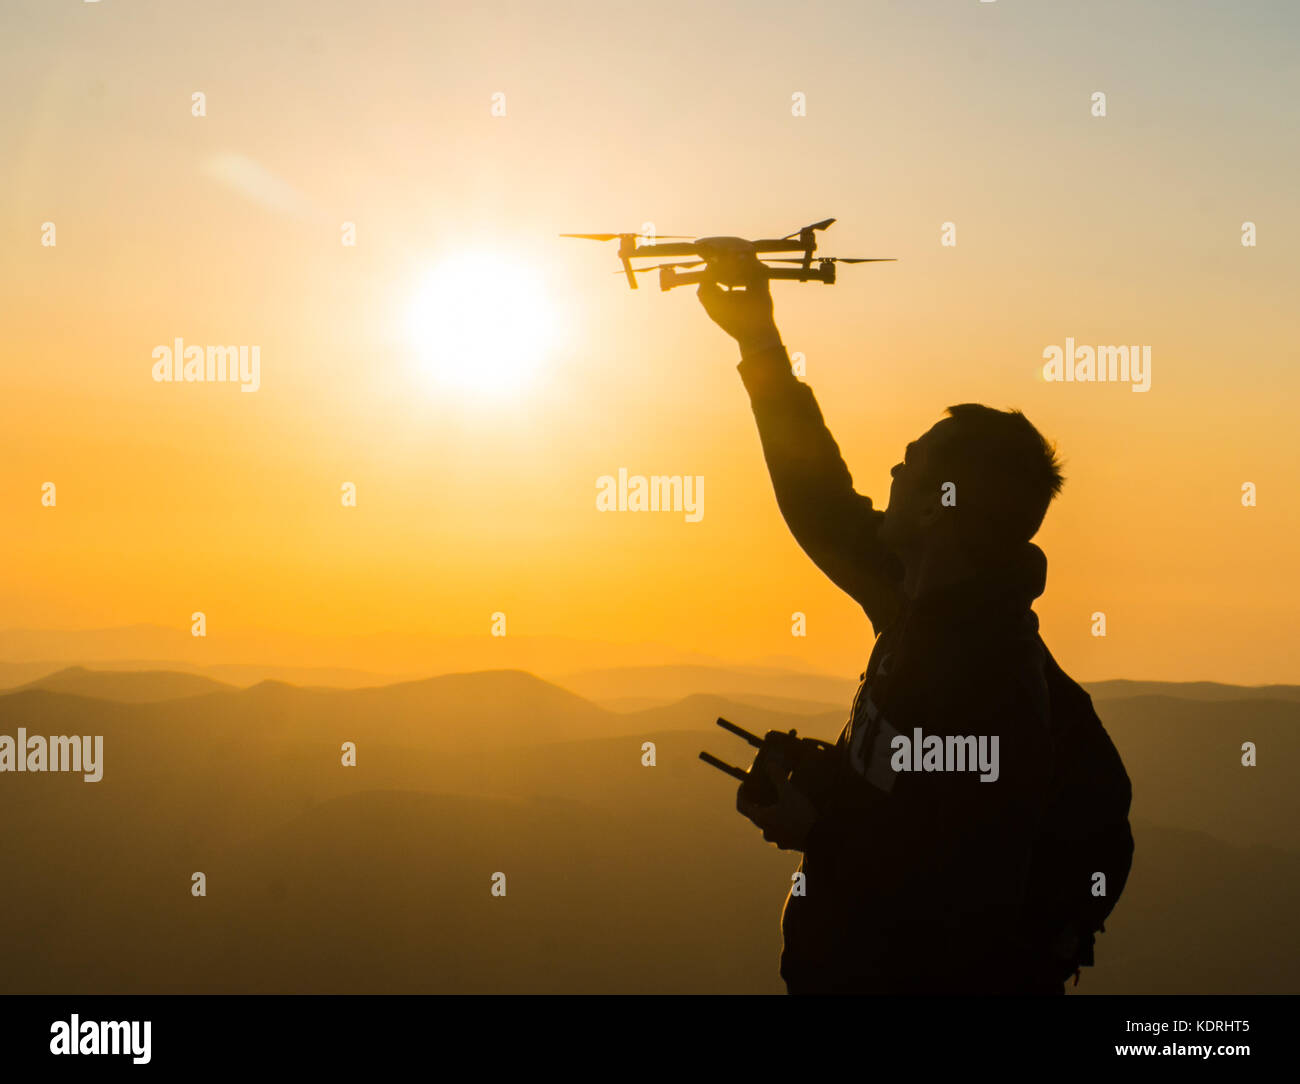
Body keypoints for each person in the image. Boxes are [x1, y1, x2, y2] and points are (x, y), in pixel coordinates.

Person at [699, 262, 1075, 994]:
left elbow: (966, 880)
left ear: (939, 506)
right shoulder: (916, 600)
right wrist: (759, 342)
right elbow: (822, 503)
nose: (892, 477)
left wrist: (817, 828)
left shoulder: (985, 673)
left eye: (907, 466)